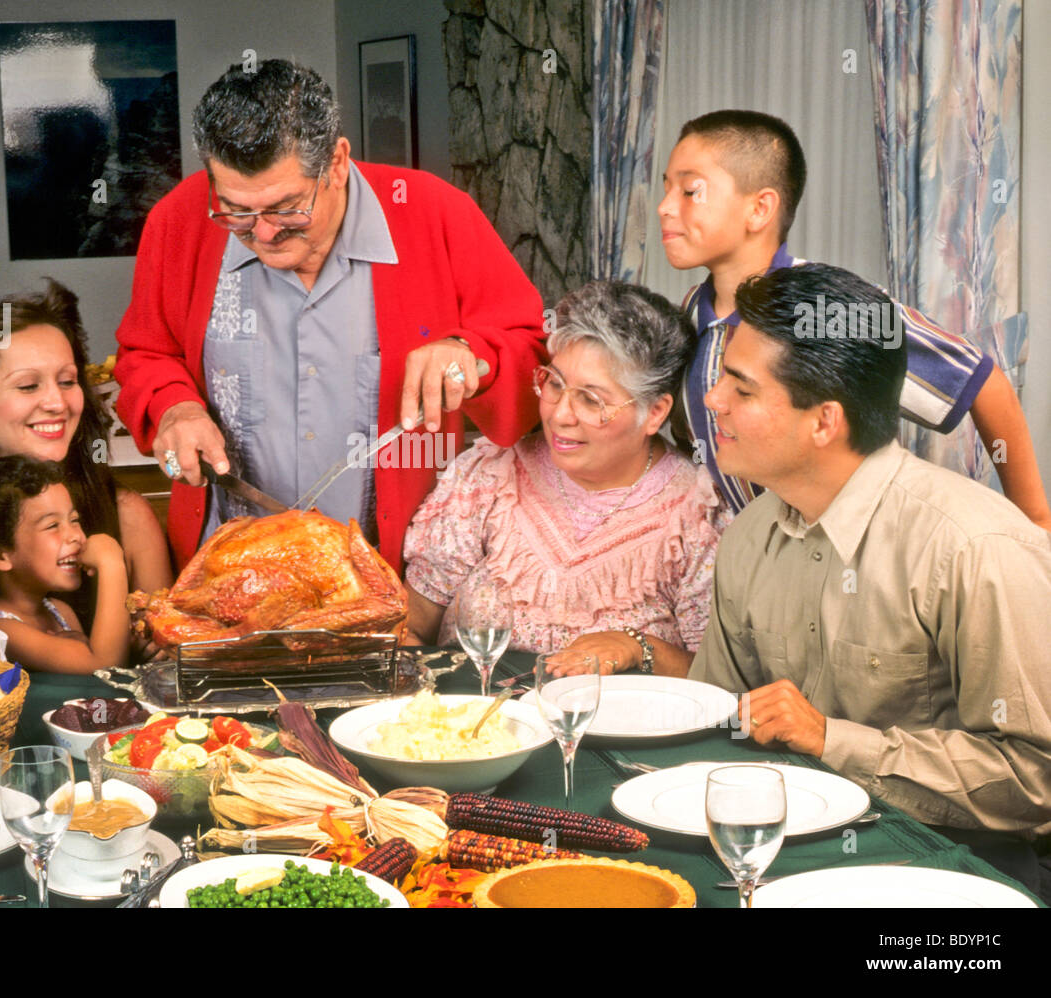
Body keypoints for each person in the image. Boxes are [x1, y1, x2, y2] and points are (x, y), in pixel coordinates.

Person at [689, 263, 1051, 893]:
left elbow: (1036, 779)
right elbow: (721, 722)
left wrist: (834, 741)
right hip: (783, 855)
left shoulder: (974, 548)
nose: (713, 400)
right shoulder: (748, 536)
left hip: (954, 873)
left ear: (825, 422)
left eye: (741, 389)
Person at [113, 59, 548, 573]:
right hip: (226, 574)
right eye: (236, 212)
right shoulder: (178, 220)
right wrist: (172, 408)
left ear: (338, 163)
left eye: (287, 208)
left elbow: (532, 360)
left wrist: (470, 355)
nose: (265, 233)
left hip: (396, 581)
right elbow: (145, 354)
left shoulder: (435, 213)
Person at [657, 109, 1051, 529]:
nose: (663, 207)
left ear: (760, 209)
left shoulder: (827, 309)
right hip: (753, 566)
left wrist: (1034, 520)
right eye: (665, 189)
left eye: (689, 191)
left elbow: (979, 382)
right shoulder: (690, 311)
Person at [403, 281, 729, 673]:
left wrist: (637, 647)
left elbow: (717, 681)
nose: (560, 415)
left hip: (616, 733)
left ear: (656, 413)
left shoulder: (696, 515)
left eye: (591, 400)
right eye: (554, 384)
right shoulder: (489, 477)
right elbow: (411, 630)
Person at [0, 278, 173, 599]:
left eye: (67, 381)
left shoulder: (126, 515)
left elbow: (174, 641)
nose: (58, 403)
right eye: (28, 385)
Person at [0, 456, 130, 674]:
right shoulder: (1, 629)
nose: (76, 536)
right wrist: (112, 563)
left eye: (74, 520)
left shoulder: (61, 612)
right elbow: (105, 667)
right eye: (52, 525)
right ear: (0, 556)